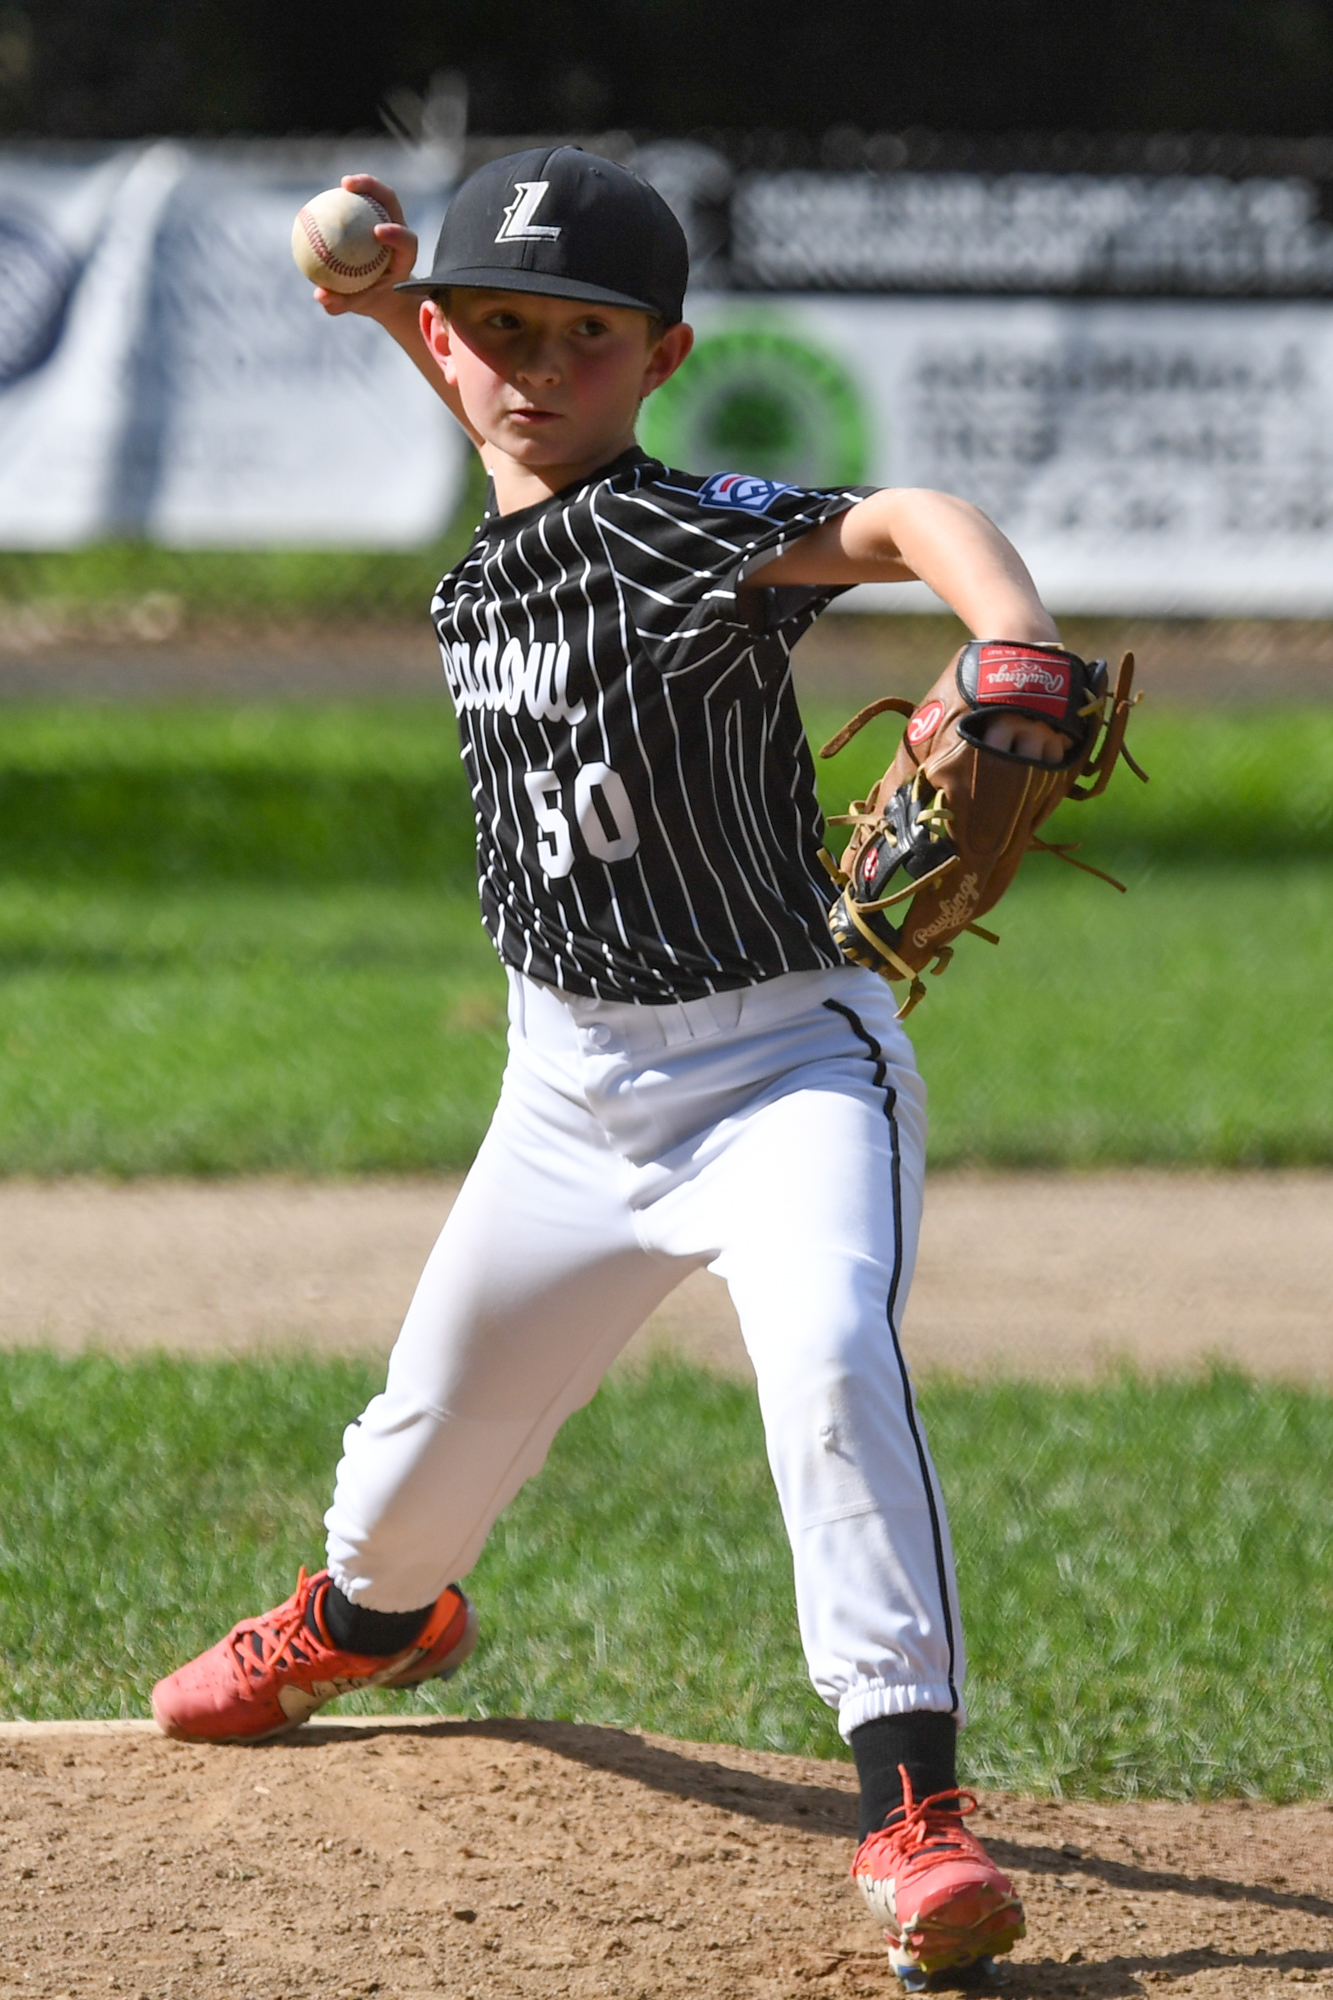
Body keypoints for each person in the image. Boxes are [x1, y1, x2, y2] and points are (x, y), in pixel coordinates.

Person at [152, 146, 1070, 1986]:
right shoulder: (503, 495)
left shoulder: (691, 529)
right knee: (408, 1483)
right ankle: (369, 1621)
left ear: (661, 361)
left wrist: (1011, 639)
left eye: (586, 338)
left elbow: (905, 515)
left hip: (780, 1070)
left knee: (821, 1357)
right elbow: (499, 412)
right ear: (445, 341)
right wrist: (397, 312)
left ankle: (910, 1809)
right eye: (495, 332)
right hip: (560, 1097)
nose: (532, 364)